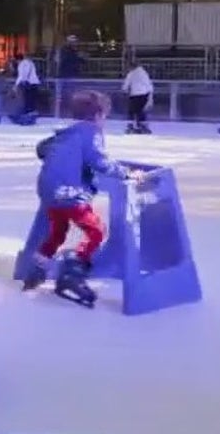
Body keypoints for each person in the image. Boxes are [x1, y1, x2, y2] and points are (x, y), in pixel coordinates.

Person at [22, 90, 143, 307]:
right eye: (105, 115)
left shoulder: (66, 133)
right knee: (96, 230)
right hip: (69, 193)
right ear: (97, 115)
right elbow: (100, 162)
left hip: (48, 192)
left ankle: (37, 270)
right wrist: (126, 173)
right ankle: (73, 271)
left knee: (58, 232)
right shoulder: (91, 133)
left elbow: (42, 148)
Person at [121, 58, 153, 134]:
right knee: (141, 111)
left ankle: (131, 125)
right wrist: (150, 96)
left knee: (132, 111)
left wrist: (124, 89)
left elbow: (126, 84)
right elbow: (149, 84)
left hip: (134, 95)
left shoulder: (131, 74)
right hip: (144, 94)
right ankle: (143, 126)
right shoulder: (144, 73)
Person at [13, 52, 41, 117]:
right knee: (32, 100)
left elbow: (21, 76)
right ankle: (32, 114)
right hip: (35, 83)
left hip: (29, 84)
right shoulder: (30, 62)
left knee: (28, 100)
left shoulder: (22, 64)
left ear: (17, 60)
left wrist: (16, 85)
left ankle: (27, 116)